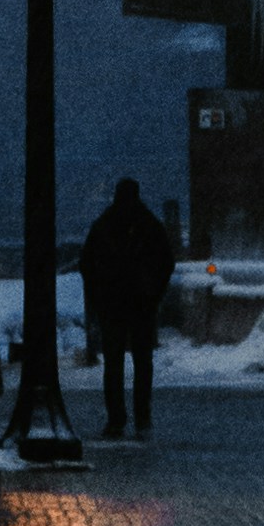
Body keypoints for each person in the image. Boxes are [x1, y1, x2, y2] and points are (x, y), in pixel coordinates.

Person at [76, 175, 175, 439]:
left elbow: (86, 264)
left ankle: (116, 419)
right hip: (141, 304)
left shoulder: (104, 225)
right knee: (143, 362)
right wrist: (154, 293)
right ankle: (142, 418)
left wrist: (98, 296)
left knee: (114, 363)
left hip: (113, 304)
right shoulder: (149, 224)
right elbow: (167, 261)